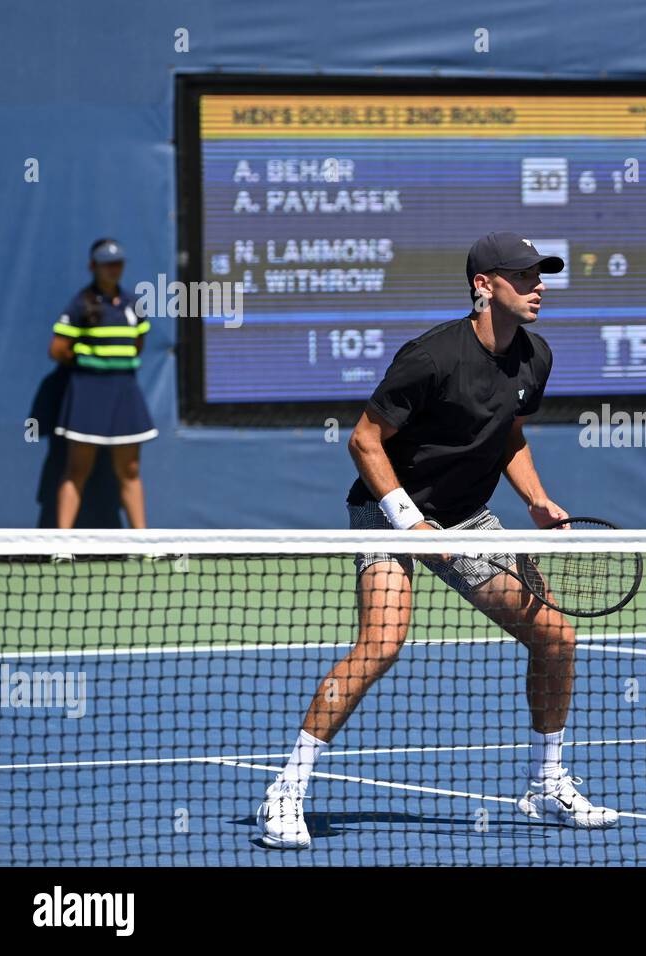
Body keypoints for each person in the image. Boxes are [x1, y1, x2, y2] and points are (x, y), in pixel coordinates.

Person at [256, 232, 618, 849]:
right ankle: (285, 793)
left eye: (542, 275)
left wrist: (535, 498)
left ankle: (546, 782)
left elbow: (508, 436)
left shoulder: (536, 357)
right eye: (525, 276)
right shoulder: (429, 357)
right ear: (485, 286)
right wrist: (411, 524)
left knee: (555, 634)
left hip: (467, 517)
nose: (539, 286)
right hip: (387, 509)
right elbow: (364, 442)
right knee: (382, 643)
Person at [48, 238, 156, 529]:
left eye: (118, 263)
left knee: (131, 469)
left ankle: (142, 543)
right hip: (88, 392)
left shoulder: (134, 305)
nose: (113, 269)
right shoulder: (80, 304)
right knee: (77, 469)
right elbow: (57, 349)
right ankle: (62, 545)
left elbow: (138, 345)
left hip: (124, 391)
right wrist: (89, 364)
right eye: (107, 264)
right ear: (93, 266)